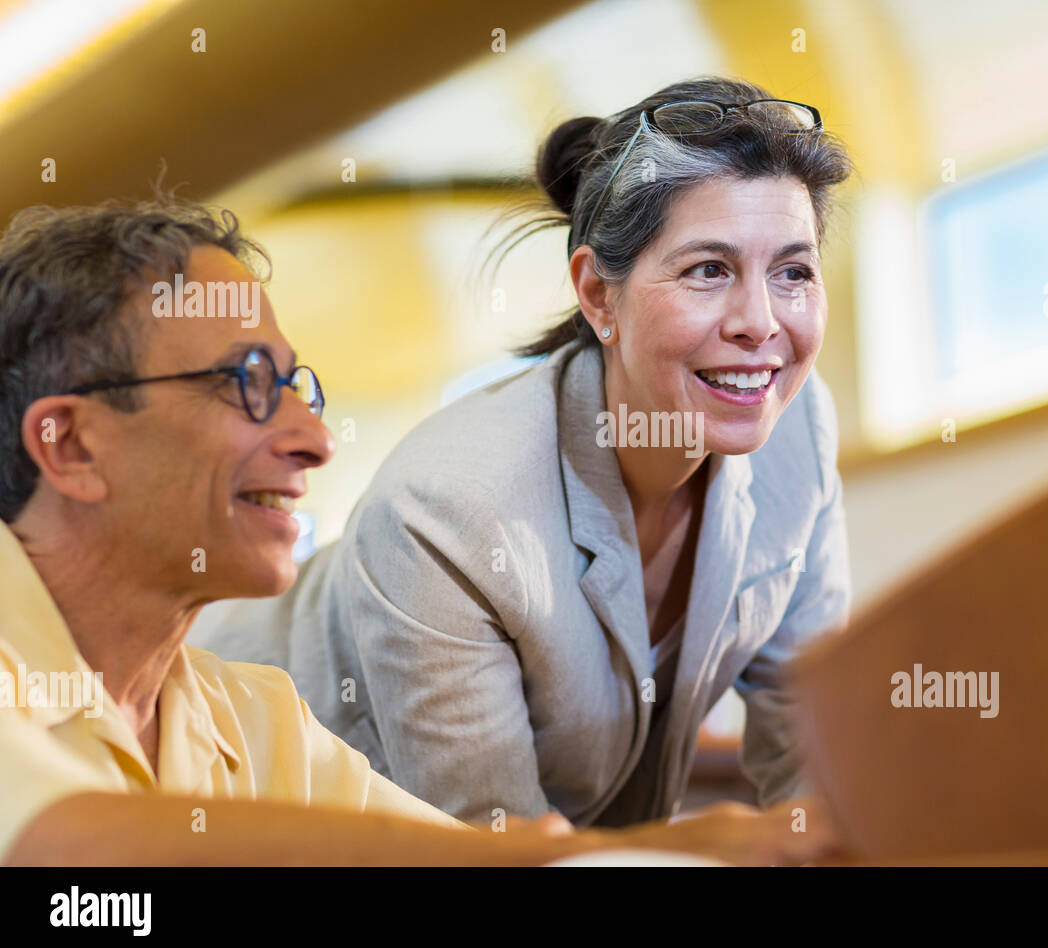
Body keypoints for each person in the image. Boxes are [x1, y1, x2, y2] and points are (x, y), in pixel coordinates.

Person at [0, 196, 838, 866]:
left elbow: (460, 855)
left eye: (301, 387)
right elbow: (60, 853)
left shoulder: (252, 715)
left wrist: (672, 849)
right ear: (70, 444)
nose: (315, 440)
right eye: (248, 382)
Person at [196, 74, 855, 826]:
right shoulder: (450, 507)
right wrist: (715, 848)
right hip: (232, 801)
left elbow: (814, 742)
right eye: (709, 270)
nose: (760, 322)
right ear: (599, 296)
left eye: (793, 272)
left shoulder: (797, 435)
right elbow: (495, 845)